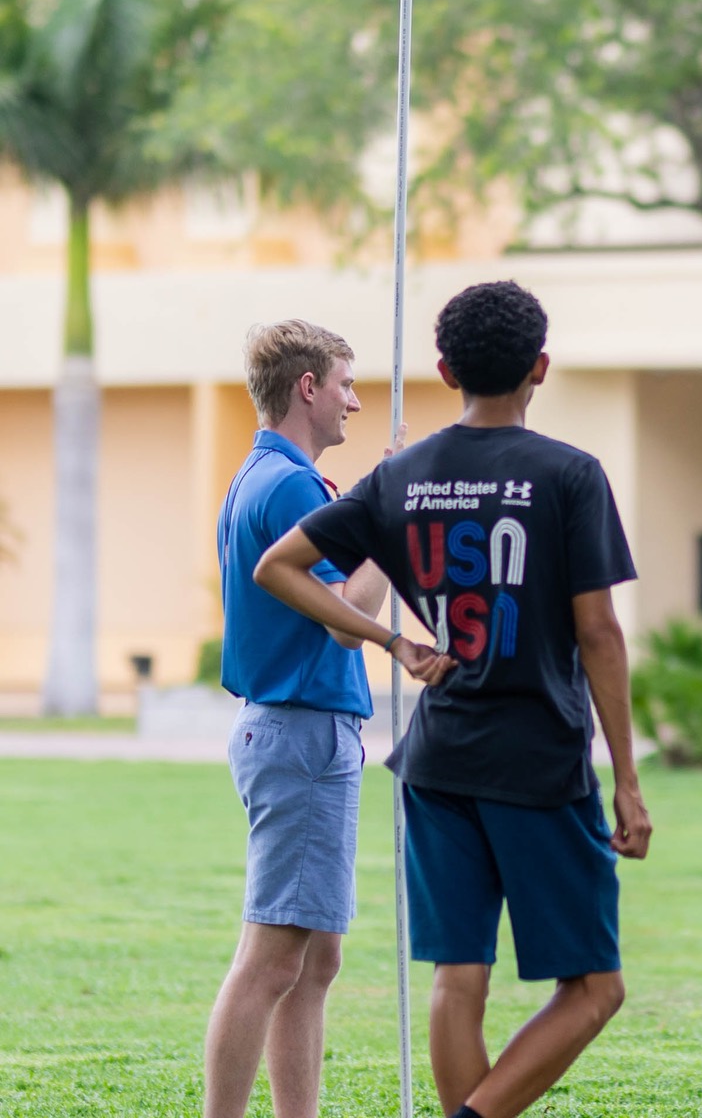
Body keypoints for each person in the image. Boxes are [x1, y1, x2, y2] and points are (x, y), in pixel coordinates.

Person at [253, 280, 651, 1118]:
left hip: (436, 763)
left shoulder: (401, 476)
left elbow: (276, 568)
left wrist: (391, 640)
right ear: (541, 366)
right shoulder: (570, 475)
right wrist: (627, 777)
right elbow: (599, 634)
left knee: (458, 977)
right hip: (539, 757)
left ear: (446, 371)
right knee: (596, 988)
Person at [205, 319, 397, 1118]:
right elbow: (348, 612)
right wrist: (387, 519)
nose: (355, 402)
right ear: (308, 387)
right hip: (302, 733)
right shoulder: (289, 485)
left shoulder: (260, 476)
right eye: (346, 384)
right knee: (273, 960)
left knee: (314, 963)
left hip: (292, 730)